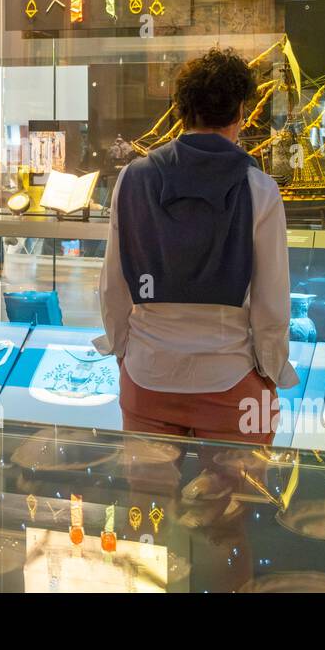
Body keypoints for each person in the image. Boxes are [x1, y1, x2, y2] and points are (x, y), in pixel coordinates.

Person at [99, 47, 295, 445]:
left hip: (147, 377)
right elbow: (272, 304)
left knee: (148, 504)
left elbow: (112, 286)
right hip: (232, 378)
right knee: (235, 503)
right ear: (241, 111)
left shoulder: (131, 179)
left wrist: (124, 353)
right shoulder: (259, 188)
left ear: (181, 111)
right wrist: (270, 371)